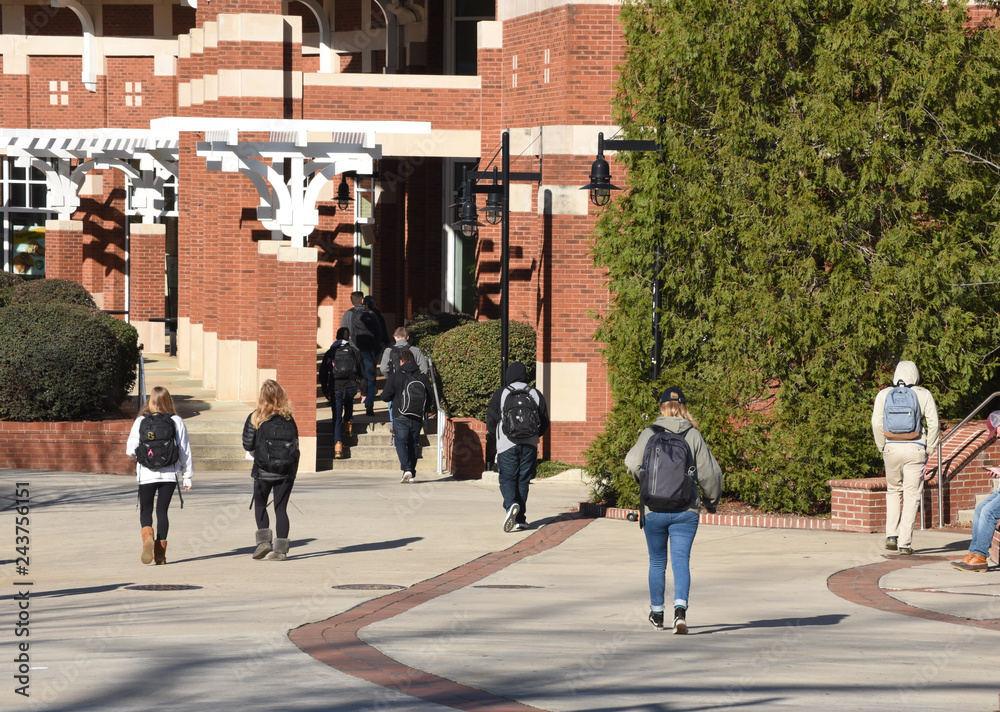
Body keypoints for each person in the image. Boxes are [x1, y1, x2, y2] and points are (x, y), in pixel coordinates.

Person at [625, 387, 722, 634]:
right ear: (683, 407)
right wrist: (711, 501)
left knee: (657, 562)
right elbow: (711, 474)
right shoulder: (693, 436)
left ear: (661, 407)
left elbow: (633, 464)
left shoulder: (649, 433)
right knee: (681, 561)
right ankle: (680, 612)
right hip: (686, 509)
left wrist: (646, 482)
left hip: (653, 509)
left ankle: (657, 614)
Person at [870, 360, 940, 556]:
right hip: (916, 447)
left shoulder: (884, 394)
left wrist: (881, 445)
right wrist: (930, 448)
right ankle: (905, 543)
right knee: (911, 495)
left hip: (891, 447)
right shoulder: (923, 394)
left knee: (893, 491)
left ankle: (891, 535)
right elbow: (933, 424)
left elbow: (876, 424)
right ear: (915, 374)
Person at [126, 386, 193, 565]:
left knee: (146, 510)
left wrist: (147, 453)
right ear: (168, 401)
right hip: (169, 475)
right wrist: (187, 475)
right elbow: (184, 450)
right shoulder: (176, 420)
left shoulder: (141, 421)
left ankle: (147, 536)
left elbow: (130, 450)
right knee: (162, 512)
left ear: (150, 401)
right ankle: (160, 555)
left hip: (146, 474)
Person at [485, 362, 550, 532]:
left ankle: (510, 505)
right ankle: (520, 519)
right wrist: (534, 437)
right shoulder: (535, 394)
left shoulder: (502, 393)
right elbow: (544, 421)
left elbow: (491, 421)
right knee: (523, 480)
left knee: (507, 478)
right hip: (529, 444)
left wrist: (498, 438)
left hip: (507, 444)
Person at [242, 380, 300, 561]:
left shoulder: (255, 417)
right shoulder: (289, 418)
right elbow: (296, 446)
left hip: (262, 470)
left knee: (260, 504)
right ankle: (281, 551)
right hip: (285, 471)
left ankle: (264, 542)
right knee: (280, 508)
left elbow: (247, 444)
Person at [380, 349, 432, 483]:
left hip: (400, 414)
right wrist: (423, 411)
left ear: (401, 361)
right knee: (413, 444)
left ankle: (407, 469)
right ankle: (411, 474)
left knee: (401, 442)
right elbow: (429, 398)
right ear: (413, 360)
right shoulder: (423, 377)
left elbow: (385, 396)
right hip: (416, 416)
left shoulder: (396, 375)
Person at [320, 327, 365, 459]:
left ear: (336, 337)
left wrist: (325, 389)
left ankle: (338, 444)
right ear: (348, 338)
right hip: (351, 385)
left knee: (337, 415)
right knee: (349, 402)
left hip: (336, 386)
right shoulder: (354, 351)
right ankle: (349, 424)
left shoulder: (330, 352)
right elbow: (362, 372)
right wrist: (364, 391)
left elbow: (323, 372)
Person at [340, 291, 379, 416]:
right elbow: (379, 332)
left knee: (350, 378)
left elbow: (343, 334)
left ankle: (349, 405)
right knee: (370, 377)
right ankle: (369, 404)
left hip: (352, 350)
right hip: (368, 350)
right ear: (362, 301)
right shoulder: (371, 314)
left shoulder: (348, 315)